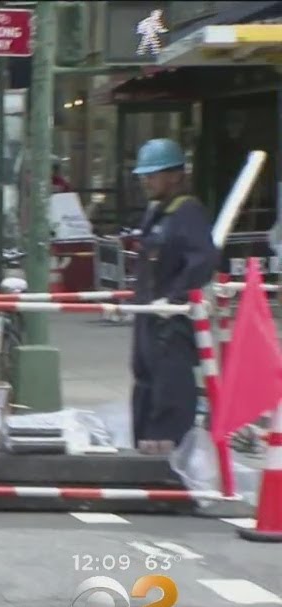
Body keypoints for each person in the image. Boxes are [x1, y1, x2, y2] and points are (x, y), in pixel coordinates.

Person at [128, 138, 218, 455]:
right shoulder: (158, 213)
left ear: (176, 175)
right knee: (145, 383)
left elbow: (203, 259)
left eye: (153, 174)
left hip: (171, 320)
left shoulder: (187, 212)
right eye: (144, 175)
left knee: (170, 390)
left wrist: (177, 298)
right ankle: (143, 451)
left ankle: (167, 461)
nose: (146, 181)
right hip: (149, 316)